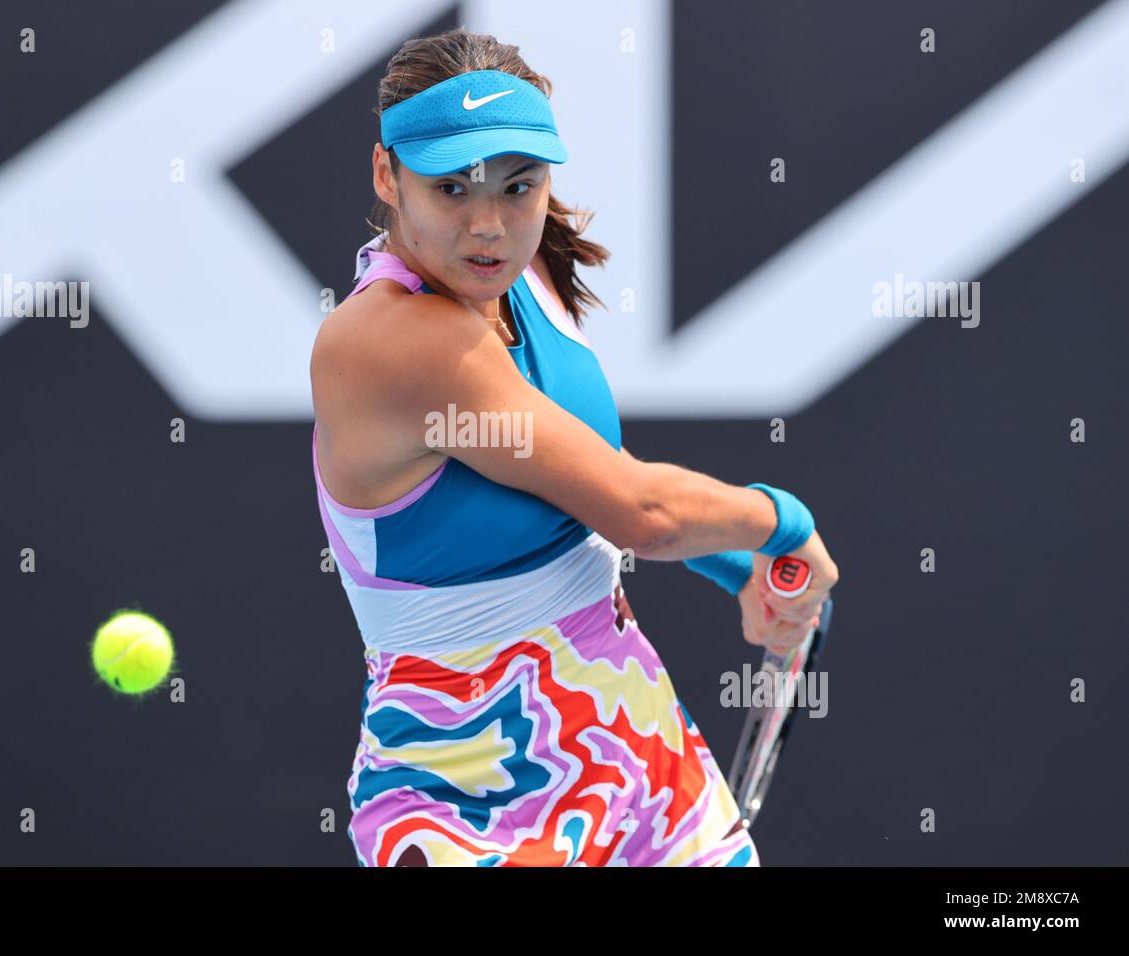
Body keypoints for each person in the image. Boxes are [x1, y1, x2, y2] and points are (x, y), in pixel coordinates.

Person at [309, 28, 838, 867]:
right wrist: (780, 524)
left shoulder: (519, 275)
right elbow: (642, 514)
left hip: (637, 746)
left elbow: (580, 483)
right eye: (449, 188)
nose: (489, 226)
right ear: (387, 175)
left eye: (518, 186)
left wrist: (737, 569)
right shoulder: (388, 345)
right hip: (465, 789)